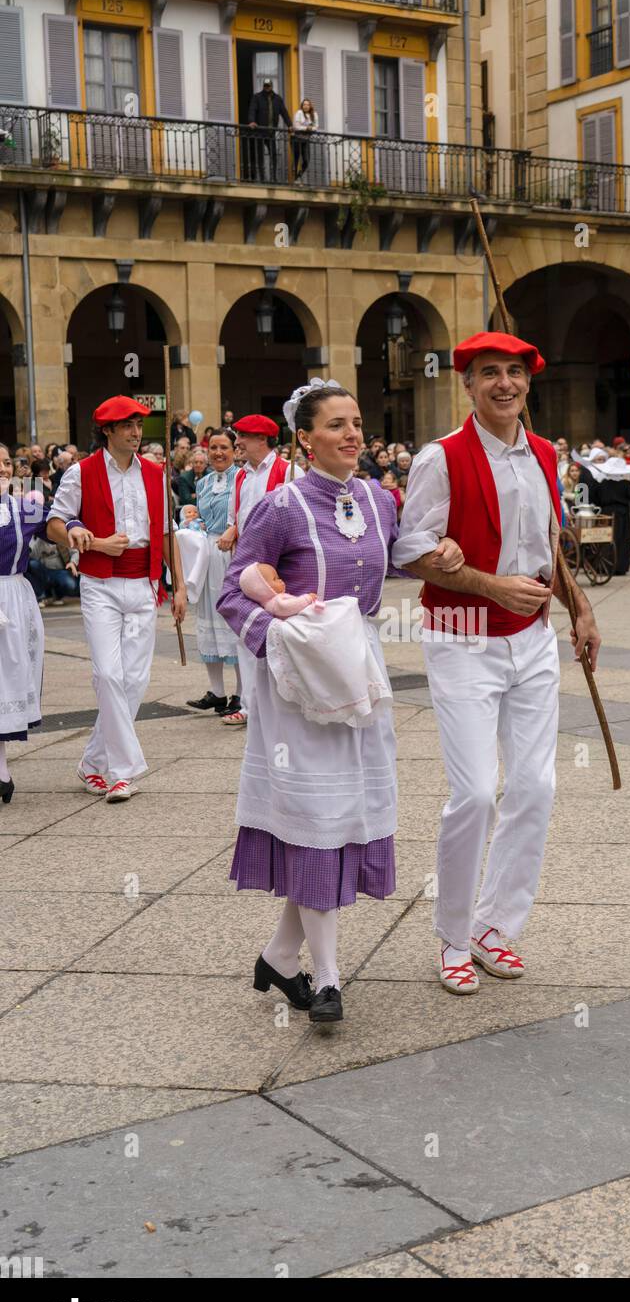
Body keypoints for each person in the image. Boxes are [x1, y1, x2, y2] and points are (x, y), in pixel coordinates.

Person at [216, 380, 463, 1024]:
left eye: (356, 422)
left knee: (338, 818)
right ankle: (326, 978)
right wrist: (280, 637)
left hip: (359, 672)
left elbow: (398, 559)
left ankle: (280, 956)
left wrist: (443, 551)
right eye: (335, 425)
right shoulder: (281, 506)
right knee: (317, 818)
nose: (353, 434)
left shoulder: (380, 499)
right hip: (299, 682)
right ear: (304, 437)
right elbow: (232, 591)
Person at [392, 331, 602, 996]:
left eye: (514, 373)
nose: (504, 384)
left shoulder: (544, 453)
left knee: (536, 787)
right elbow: (409, 551)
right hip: (461, 636)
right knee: (477, 791)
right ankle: (453, 936)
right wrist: (486, 583)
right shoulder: (440, 458)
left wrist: (581, 609)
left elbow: (549, 545)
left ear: (528, 382)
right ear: (468, 384)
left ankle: (494, 925)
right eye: (490, 374)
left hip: (534, 637)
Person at [46, 396, 188, 801]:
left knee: (135, 679)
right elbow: (55, 523)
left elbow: (165, 533)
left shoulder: (157, 474)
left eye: (139, 425)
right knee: (108, 674)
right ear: (107, 431)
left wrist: (179, 586)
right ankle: (122, 772)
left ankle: (93, 762)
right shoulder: (81, 472)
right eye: (127, 425)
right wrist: (87, 537)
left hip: (144, 582)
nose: (136, 432)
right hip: (100, 581)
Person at [221, 413, 291, 727]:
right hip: (245, 561)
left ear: (262, 439)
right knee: (245, 630)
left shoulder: (288, 470)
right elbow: (240, 516)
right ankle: (250, 704)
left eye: (243, 437)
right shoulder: (241, 476)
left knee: (278, 630)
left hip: (274, 563)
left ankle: (279, 699)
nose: (238, 442)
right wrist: (232, 530)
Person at [0, 444, 48, 802]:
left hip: (14, 598)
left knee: (8, 681)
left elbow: (58, 523)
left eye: (5, 462)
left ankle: (1, 769)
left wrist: (79, 532)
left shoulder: (25, 503)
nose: (3, 469)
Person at [185, 431, 242, 717]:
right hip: (207, 554)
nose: (218, 453)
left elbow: (250, 515)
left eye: (224, 447)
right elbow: (203, 518)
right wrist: (194, 524)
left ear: (235, 450)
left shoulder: (242, 479)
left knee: (233, 621)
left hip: (232, 552)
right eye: (214, 448)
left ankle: (241, 694)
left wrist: (233, 533)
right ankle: (217, 692)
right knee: (207, 619)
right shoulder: (203, 481)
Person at [247, 79, 290, 181]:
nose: (267, 87)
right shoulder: (257, 97)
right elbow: (252, 109)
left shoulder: (278, 99)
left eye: (268, 86)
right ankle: (262, 178)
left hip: (271, 133)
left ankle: (274, 177)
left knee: (273, 155)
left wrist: (290, 125)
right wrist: (251, 121)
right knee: (260, 156)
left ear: (272, 86)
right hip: (260, 131)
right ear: (263, 86)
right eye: (265, 86)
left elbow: (284, 112)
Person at [292, 97, 318, 180]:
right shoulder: (299, 113)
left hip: (306, 139)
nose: (306, 106)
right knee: (296, 160)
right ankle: (295, 178)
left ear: (310, 106)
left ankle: (299, 174)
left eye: (308, 104)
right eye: (304, 104)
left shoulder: (314, 114)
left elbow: (316, 126)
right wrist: (306, 128)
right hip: (297, 139)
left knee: (306, 161)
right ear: (302, 106)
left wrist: (311, 128)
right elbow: (296, 126)